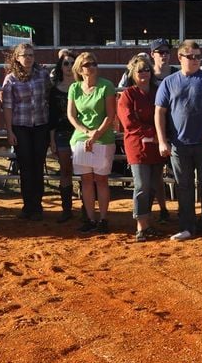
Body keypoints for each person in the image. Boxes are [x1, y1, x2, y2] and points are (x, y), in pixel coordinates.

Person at [155, 39, 202, 243]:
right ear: (180, 58)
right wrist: (162, 140)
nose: (196, 60)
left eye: (198, 57)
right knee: (184, 186)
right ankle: (187, 227)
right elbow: (159, 113)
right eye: (191, 57)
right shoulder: (168, 82)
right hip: (179, 145)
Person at [67, 52, 118, 234]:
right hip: (80, 138)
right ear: (80, 69)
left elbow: (110, 116)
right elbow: (71, 116)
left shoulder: (106, 86)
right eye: (88, 64)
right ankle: (90, 218)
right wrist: (86, 132)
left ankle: (103, 218)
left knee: (101, 180)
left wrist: (95, 135)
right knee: (86, 180)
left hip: (103, 138)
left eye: (94, 64)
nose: (92, 67)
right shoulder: (74, 88)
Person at [1, 43, 51, 221]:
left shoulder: (43, 75)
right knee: (25, 166)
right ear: (17, 57)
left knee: (38, 165)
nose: (28, 58)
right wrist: (9, 131)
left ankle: (37, 205)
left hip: (40, 125)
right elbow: (7, 106)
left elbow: (49, 98)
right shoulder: (11, 79)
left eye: (31, 55)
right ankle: (27, 205)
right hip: (20, 125)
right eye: (24, 55)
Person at [117, 54, 162, 241]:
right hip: (137, 145)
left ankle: (148, 221)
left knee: (152, 186)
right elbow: (128, 122)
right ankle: (141, 225)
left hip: (157, 145)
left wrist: (159, 135)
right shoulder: (128, 94)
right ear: (133, 74)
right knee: (142, 185)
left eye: (146, 69)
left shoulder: (158, 92)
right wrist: (153, 132)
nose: (144, 73)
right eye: (139, 70)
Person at [49, 49, 78, 223]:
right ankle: (66, 209)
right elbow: (51, 117)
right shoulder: (54, 90)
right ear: (60, 66)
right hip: (61, 133)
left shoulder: (83, 87)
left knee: (85, 172)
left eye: (71, 63)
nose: (68, 66)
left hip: (81, 134)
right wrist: (51, 140)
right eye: (65, 63)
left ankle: (86, 208)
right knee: (65, 170)